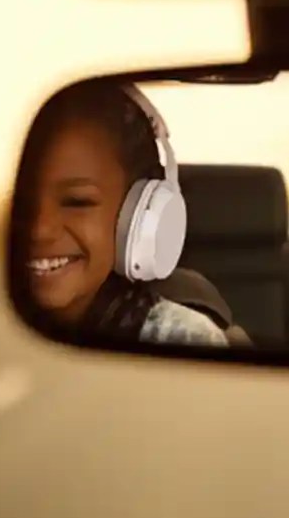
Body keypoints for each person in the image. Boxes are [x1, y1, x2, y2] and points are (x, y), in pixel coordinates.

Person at [17, 81, 229, 347]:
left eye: (77, 201)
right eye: (20, 202)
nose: (39, 230)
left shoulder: (183, 337)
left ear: (140, 216)